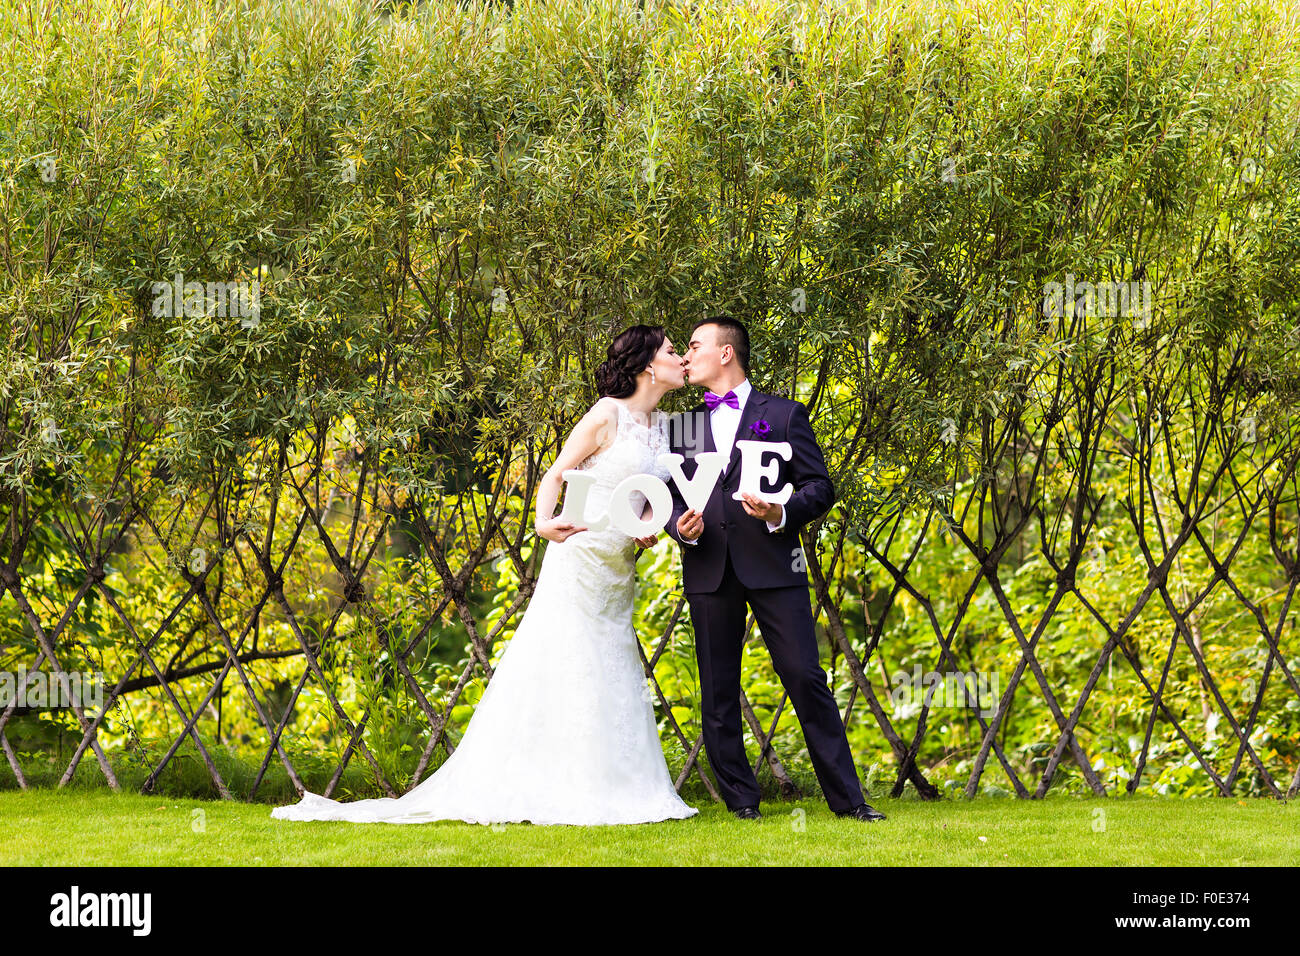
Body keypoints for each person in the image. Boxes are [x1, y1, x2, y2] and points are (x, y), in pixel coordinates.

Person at [271, 325, 699, 825]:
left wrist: (644, 529)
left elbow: (639, 497)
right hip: (578, 554)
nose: (681, 359)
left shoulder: (661, 426)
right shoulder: (607, 413)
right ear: (648, 364)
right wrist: (543, 522)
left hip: (617, 563)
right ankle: (559, 785)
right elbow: (558, 472)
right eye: (673, 351)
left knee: (612, 658)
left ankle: (620, 784)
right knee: (567, 658)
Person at [662, 314, 885, 822]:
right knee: (717, 689)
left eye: (694, 346)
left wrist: (780, 512)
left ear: (725, 353)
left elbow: (819, 487)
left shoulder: (784, 415)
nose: (686, 355)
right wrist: (681, 527)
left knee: (806, 677)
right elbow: (671, 497)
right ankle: (742, 802)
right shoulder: (684, 426)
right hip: (708, 567)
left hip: (774, 565)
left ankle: (850, 803)